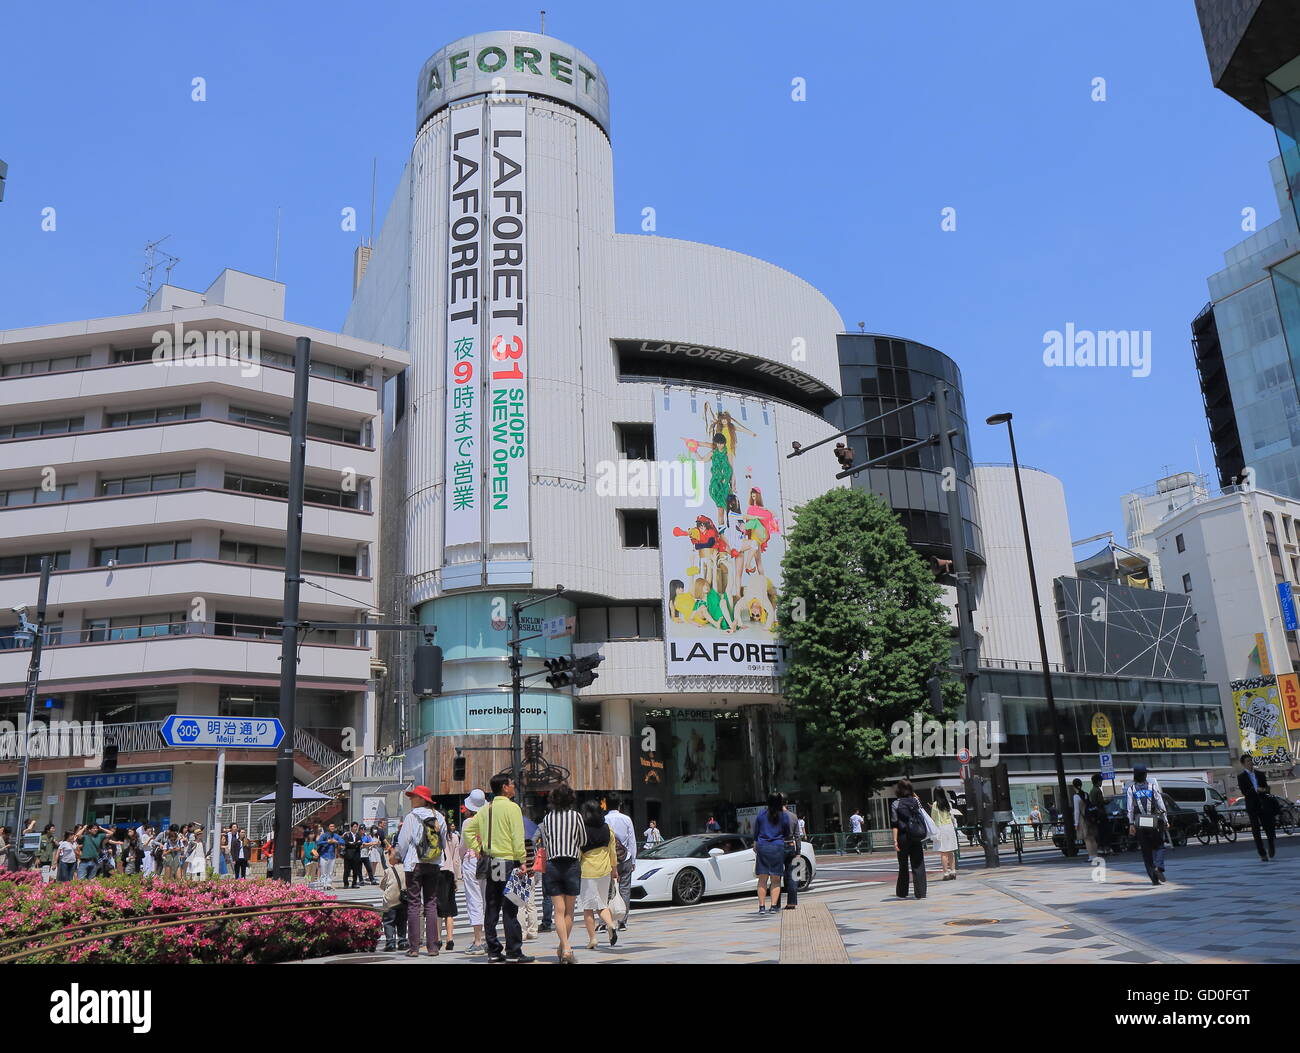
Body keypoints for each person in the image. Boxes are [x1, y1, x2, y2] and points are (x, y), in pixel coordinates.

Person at [472, 774, 532, 964]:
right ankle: (514, 950)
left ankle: (494, 951)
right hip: (508, 861)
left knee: (491, 906)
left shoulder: (485, 809)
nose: (514, 787)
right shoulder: (512, 807)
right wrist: (522, 859)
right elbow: (517, 836)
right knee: (510, 907)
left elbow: (468, 831)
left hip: (492, 862)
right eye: (512, 784)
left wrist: (478, 848)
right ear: (505, 787)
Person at [396, 785, 448, 958]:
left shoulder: (412, 817)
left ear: (422, 799)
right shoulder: (438, 816)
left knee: (413, 904)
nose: (411, 800)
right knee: (431, 903)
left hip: (414, 864)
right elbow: (443, 841)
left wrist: (401, 857)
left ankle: (414, 947)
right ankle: (433, 947)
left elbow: (403, 842)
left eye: (414, 797)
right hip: (433, 864)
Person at [539, 783, 584, 963]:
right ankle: (566, 948)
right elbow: (583, 839)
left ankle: (563, 947)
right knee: (569, 911)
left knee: (558, 910)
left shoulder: (548, 818)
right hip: (572, 863)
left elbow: (546, 840)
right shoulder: (576, 816)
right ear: (570, 798)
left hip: (553, 864)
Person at [577, 798, 619, 949]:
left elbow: (578, 853)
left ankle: (593, 939)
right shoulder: (608, 829)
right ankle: (611, 924)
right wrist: (614, 870)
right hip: (605, 870)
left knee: (588, 908)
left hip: (587, 871)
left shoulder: (582, 830)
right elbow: (613, 852)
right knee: (602, 903)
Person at [1125, 763, 1168, 886]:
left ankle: (1154, 879)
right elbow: (1160, 804)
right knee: (1159, 845)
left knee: (1146, 851)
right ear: (1145, 775)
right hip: (1153, 821)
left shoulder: (1131, 790)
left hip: (1139, 823)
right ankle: (1159, 867)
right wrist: (1165, 820)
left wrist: (1131, 824)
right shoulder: (1152, 787)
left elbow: (1130, 809)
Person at [751, 792, 792, 914]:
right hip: (777, 847)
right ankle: (774, 906)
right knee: (776, 879)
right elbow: (787, 832)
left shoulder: (761, 815)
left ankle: (762, 907)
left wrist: (756, 845)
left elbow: (756, 833)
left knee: (762, 879)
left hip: (763, 846)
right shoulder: (784, 816)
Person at [459, 788, 489, 954]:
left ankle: (477, 941)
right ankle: (486, 937)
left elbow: (463, 846)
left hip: (471, 860)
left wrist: (460, 857)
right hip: (487, 860)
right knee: (486, 900)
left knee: (474, 900)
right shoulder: (488, 819)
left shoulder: (467, 822)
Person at [604, 793, 636, 932]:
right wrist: (633, 859)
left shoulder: (604, 819)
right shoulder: (626, 819)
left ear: (606, 804)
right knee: (625, 889)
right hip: (625, 857)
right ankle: (623, 921)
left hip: (608, 860)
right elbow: (632, 840)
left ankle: (606, 920)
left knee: (607, 890)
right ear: (619, 804)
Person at [891, 779, 927, 900]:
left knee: (903, 865)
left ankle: (902, 892)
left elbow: (895, 823)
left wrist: (895, 840)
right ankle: (921, 892)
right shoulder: (915, 801)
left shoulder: (896, 804)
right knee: (918, 864)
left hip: (902, 837)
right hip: (916, 835)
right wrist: (913, 794)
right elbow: (921, 810)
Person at [1238, 753, 1277, 862]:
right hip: (1252, 805)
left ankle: (1271, 845)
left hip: (1263, 803)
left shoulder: (1260, 774)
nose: (1250, 763)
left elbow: (1266, 788)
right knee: (1256, 830)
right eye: (1248, 761)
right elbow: (1244, 791)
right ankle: (1262, 853)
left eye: (1251, 760)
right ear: (1243, 764)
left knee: (1268, 827)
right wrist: (1256, 790)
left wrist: (1265, 789)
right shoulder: (1241, 777)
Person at [436, 817, 462, 951]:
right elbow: (456, 860)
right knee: (450, 907)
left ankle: (438, 939)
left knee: (436, 908)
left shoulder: (434, 837)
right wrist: (456, 878)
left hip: (436, 872)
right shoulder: (454, 837)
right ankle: (450, 939)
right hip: (449, 873)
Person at [378, 841, 408, 952]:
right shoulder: (406, 868)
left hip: (390, 901)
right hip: (403, 900)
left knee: (389, 921)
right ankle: (403, 941)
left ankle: (390, 943)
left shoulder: (388, 871)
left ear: (395, 859)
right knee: (402, 921)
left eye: (389, 855)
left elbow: (382, 886)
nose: (388, 857)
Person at [931, 788, 960, 880]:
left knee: (943, 852)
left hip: (941, 828)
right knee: (951, 851)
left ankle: (946, 873)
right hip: (950, 828)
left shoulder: (935, 804)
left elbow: (933, 818)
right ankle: (953, 871)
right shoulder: (948, 803)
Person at [316, 823, 342, 890]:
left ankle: (328, 885)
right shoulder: (324, 835)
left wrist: (336, 841)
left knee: (330, 873)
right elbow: (318, 842)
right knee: (323, 872)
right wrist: (327, 842)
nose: (332, 827)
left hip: (332, 856)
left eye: (333, 826)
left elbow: (343, 842)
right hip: (324, 855)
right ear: (328, 827)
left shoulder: (336, 836)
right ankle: (323, 885)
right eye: (331, 826)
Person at [342, 821, 364, 889]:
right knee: (347, 870)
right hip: (348, 855)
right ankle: (346, 883)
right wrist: (355, 844)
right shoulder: (347, 835)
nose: (356, 828)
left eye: (356, 827)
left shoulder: (358, 835)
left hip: (356, 855)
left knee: (355, 870)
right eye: (354, 827)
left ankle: (354, 883)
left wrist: (353, 843)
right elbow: (346, 843)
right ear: (351, 827)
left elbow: (360, 843)